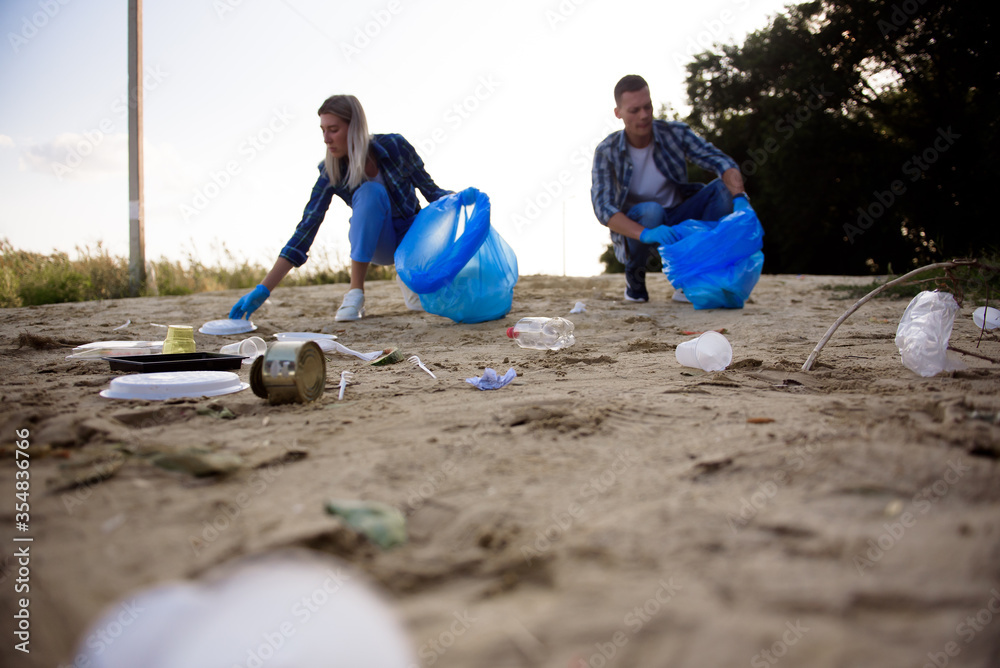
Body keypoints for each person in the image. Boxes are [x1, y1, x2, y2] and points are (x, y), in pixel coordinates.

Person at [230, 94, 451, 322]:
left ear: (354, 127)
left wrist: (462, 198)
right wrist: (263, 289)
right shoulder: (331, 172)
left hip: (413, 241)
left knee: (432, 300)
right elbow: (306, 229)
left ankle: (410, 275)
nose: (326, 139)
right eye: (323, 130)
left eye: (333, 129)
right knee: (370, 192)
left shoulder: (396, 146)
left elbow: (432, 193)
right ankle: (355, 293)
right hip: (379, 245)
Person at [591, 74, 749, 303]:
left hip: (679, 216)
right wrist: (646, 232)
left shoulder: (675, 132)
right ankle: (635, 285)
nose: (644, 115)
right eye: (634, 110)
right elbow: (602, 207)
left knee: (724, 191)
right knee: (651, 211)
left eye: (648, 107)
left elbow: (721, 161)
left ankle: (691, 281)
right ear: (619, 113)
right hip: (638, 225)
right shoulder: (607, 150)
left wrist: (740, 197)